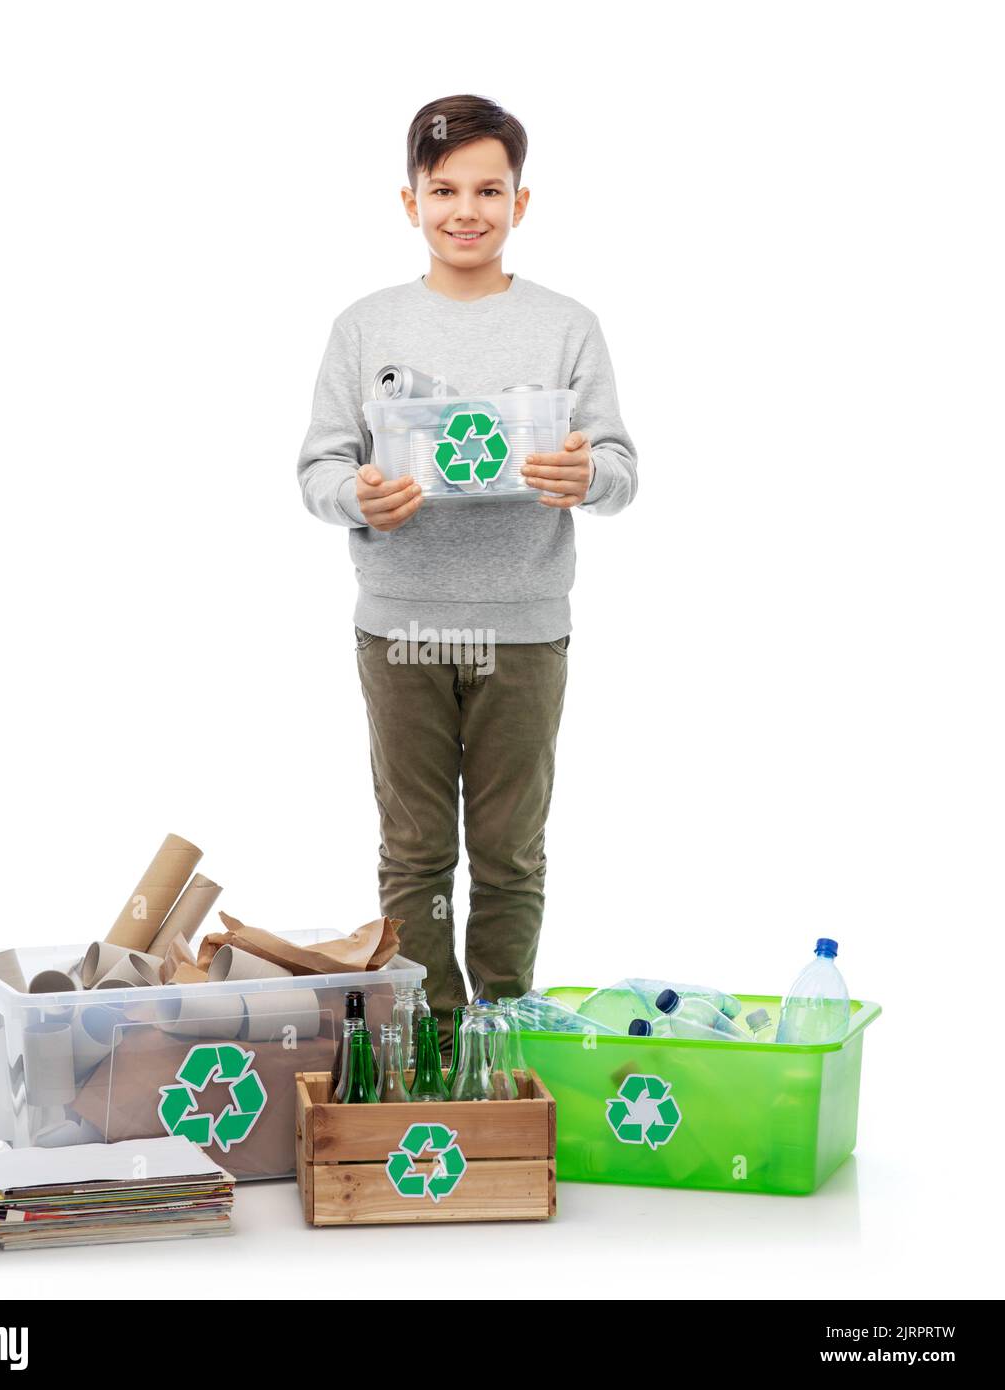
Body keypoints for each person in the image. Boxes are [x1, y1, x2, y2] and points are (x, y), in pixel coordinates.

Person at [297, 95, 637, 1051]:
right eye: (443, 189)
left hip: (525, 628)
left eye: (489, 189)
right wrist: (356, 495)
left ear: (521, 203)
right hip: (400, 625)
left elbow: (619, 468)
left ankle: (501, 1032)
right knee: (413, 851)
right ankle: (429, 1037)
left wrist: (587, 476)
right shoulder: (365, 328)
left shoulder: (567, 326)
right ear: (409, 202)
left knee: (509, 852)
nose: (466, 209)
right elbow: (318, 469)